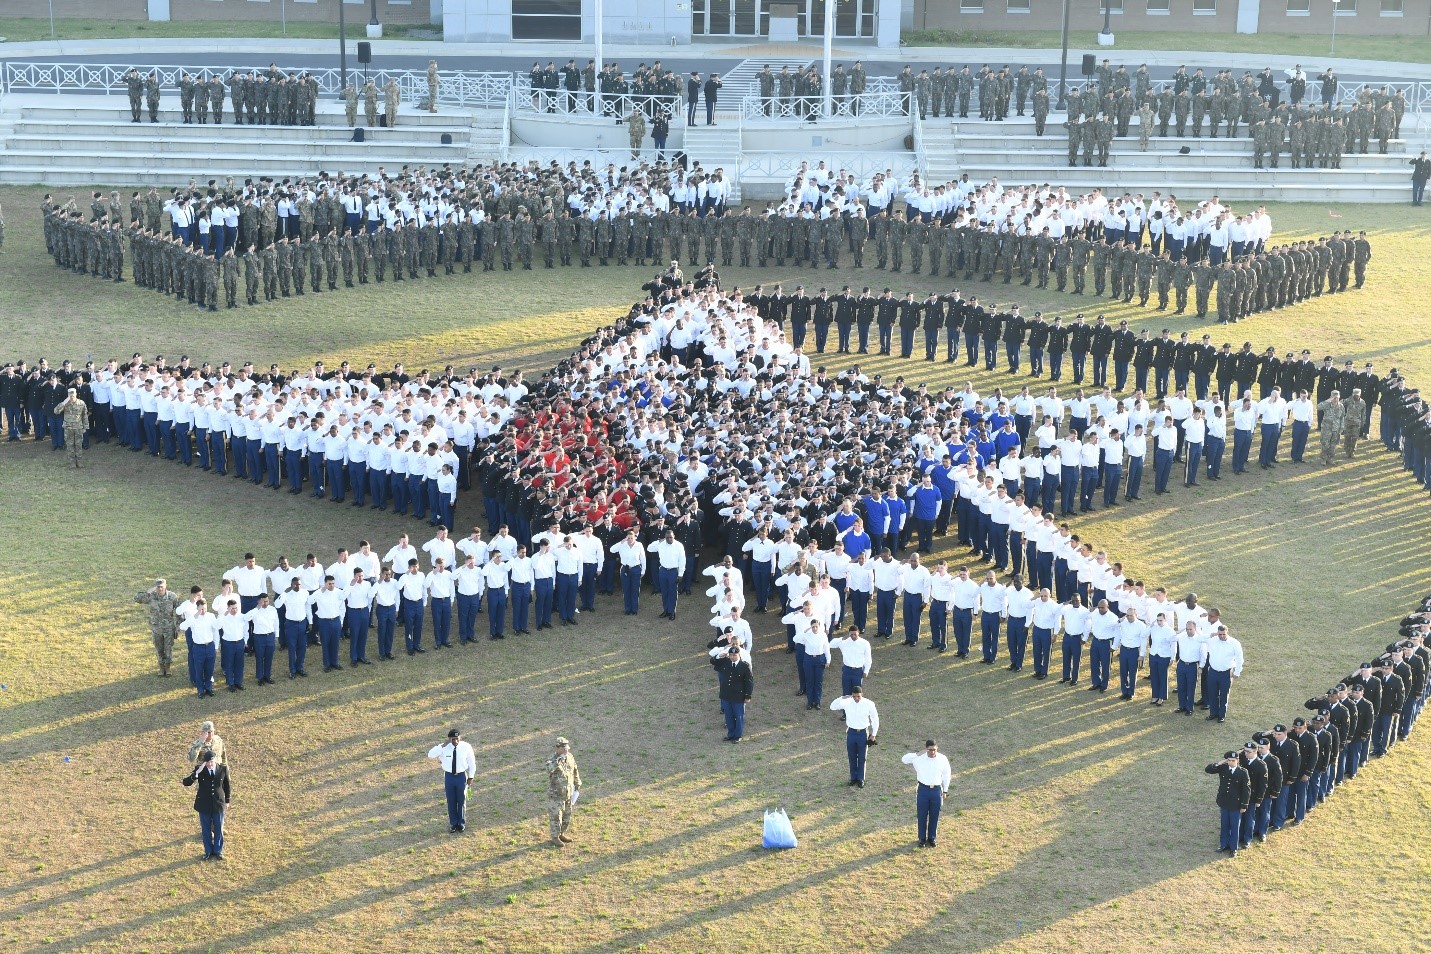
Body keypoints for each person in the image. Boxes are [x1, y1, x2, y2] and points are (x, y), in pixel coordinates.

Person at [182, 748, 231, 860]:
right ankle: (208, 851)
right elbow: (186, 783)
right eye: (207, 762)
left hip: (218, 803)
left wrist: (227, 801)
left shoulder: (222, 769)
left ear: (215, 761)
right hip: (204, 804)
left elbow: (227, 786)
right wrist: (196, 774)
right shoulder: (200, 769)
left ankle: (218, 851)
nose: (209, 764)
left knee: (219, 828)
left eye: (211, 762)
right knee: (206, 829)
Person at [901, 739, 951, 848]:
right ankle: (922, 839)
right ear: (926, 749)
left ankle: (932, 838)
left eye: (934, 750)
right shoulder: (919, 758)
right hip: (923, 789)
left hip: (936, 790)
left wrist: (945, 790)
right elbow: (904, 759)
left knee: (935, 815)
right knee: (922, 815)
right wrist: (918, 754)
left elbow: (947, 774)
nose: (932, 752)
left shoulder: (942, 759)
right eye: (930, 750)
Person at [830, 685, 880, 787]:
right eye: (854, 696)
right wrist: (842, 697)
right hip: (851, 732)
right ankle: (853, 778)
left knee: (862, 757)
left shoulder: (869, 704)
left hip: (862, 733)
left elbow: (875, 719)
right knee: (852, 756)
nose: (856, 698)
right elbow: (832, 706)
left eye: (858, 696)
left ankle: (861, 779)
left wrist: (873, 734)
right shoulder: (847, 702)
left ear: (862, 694)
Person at [427, 728, 475, 833]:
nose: (455, 741)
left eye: (457, 739)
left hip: (461, 776)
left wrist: (471, 777)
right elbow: (430, 755)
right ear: (449, 739)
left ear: (460, 738)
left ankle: (461, 823)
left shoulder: (466, 747)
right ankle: (453, 824)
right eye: (453, 739)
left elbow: (472, 763)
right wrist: (442, 745)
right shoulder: (443, 748)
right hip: (449, 777)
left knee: (461, 800)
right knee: (451, 801)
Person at [1204, 750, 1250, 857]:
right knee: (1224, 824)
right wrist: (1218, 763)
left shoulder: (1243, 772)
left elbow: (1246, 790)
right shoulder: (1223, 768)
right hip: (1224, 802)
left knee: (1234, 826)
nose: (1231, 763)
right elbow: (1208, 770)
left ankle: (1234, 848)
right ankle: (1223, 844)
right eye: (1229, 760)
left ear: (1238, 760)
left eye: (1233, 760)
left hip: (1236, 804)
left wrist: (1244, 805)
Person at [135, 578, 182, 677]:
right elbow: (136, 598)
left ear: (165, 586)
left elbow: (179, 611)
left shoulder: (172, 596)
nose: (160, 589)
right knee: (159, 648)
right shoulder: (151, 596)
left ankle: (168, 668)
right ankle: (161, 668)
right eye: (158, 587)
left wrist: (178, 625)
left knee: (168, 649)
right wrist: (150, 591)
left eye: (161, 586)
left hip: (169, 628)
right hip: (156, 628)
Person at [545, 737, 582, 847]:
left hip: (568, 792)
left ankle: (561, 834)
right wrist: (558, 761)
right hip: (556, 794)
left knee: (567, 815)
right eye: (564, 749)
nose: (567, 750)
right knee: (556, 816)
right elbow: (549, 769)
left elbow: (575, 770)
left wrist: (577, 782)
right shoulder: (552, 759)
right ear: (558, 748)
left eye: (567, 748)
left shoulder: (570, 757)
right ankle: (555, 837)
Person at [55, 387, 89, 468]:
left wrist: (85, 427)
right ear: (68, 396)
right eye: (70, 396)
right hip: (68, 428)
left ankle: (79, 461)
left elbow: (85, 416)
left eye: (73, 396)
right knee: (70, 445)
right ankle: (72, 462)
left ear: (76, 394)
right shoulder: (65, 404)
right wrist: (63, 402)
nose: (72, 397)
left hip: (78, 428)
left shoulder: (81, 403)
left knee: (78, 445)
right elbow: (56, 411)